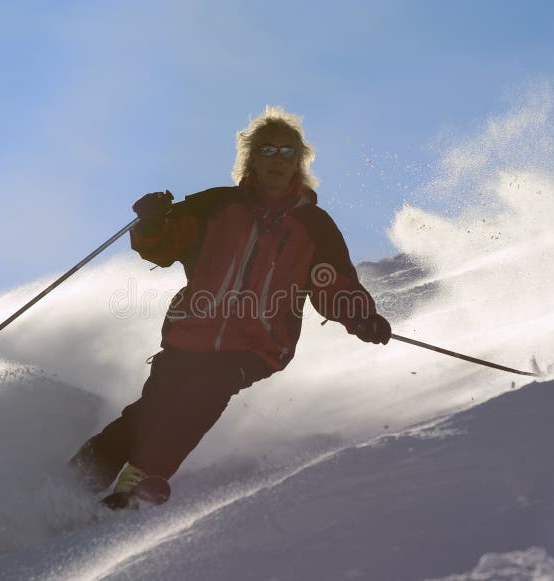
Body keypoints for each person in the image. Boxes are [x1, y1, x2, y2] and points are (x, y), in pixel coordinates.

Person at [69, 106, 391, 509]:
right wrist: (151, 222)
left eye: (288, 152)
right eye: (268, 150)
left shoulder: (314, 227)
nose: (278, 160)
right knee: (149, 412)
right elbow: (164, 245)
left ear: (299, 163)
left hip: (254, 347)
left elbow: (335, 285)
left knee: (207, 392)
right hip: (191, 335)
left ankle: (137, 484)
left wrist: (361, 316)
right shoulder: (216, 206)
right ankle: (72, 483)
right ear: (252, 156)